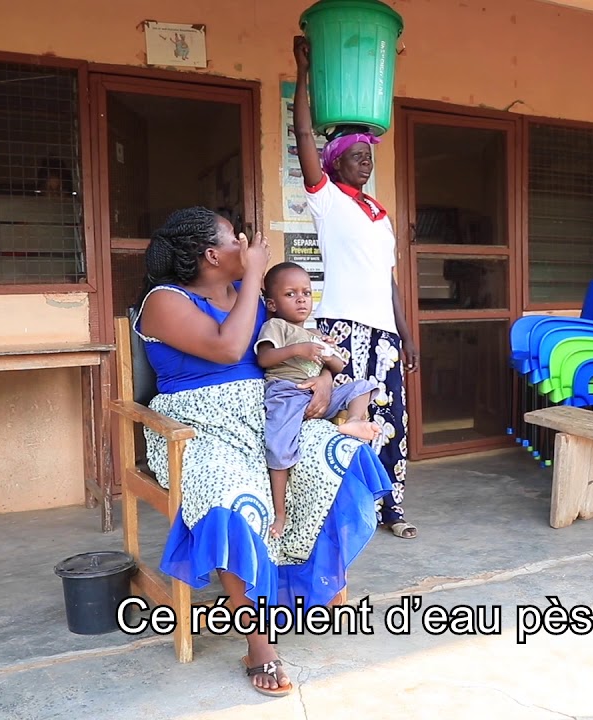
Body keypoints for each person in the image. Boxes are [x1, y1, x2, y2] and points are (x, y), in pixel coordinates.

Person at [133, 207, 392, 696]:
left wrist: (324, 378)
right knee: (237, 501)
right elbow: (229, 349)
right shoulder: (163, 300)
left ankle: (312, 584)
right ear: (212, 255)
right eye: (234, 238)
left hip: (271, 413)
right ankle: (259, 644)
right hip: (198, 429)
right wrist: (254, 275)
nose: (246, 243)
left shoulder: (246, 293)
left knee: (337, 455)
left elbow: (301, 343)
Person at [292, 35, 420, 540]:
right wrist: (302, 71)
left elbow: (387, 279)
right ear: (335, 162)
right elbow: (303, 133)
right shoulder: (328, 201)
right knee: (343, 419)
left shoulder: (379, 215)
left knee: (391, 422)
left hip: (384, 335)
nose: (366, 161)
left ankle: (391, 509)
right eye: (356, 156)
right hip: (343, 330)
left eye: (369, 155)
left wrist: (406, 334)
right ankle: (336, 510)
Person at [255, 261, 381, 540]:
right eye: (290, 294)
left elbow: (339, 366)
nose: (301, 299)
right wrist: (298, 349)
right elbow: (264, 358)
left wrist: (327, 350)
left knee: (363, 386)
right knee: (279, 447)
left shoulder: (313, 334)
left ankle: (354, 421)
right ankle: (280, 513)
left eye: (306, 293)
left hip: (317, 395)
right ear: (272, 304)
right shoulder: (276, 326)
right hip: (287, 393)